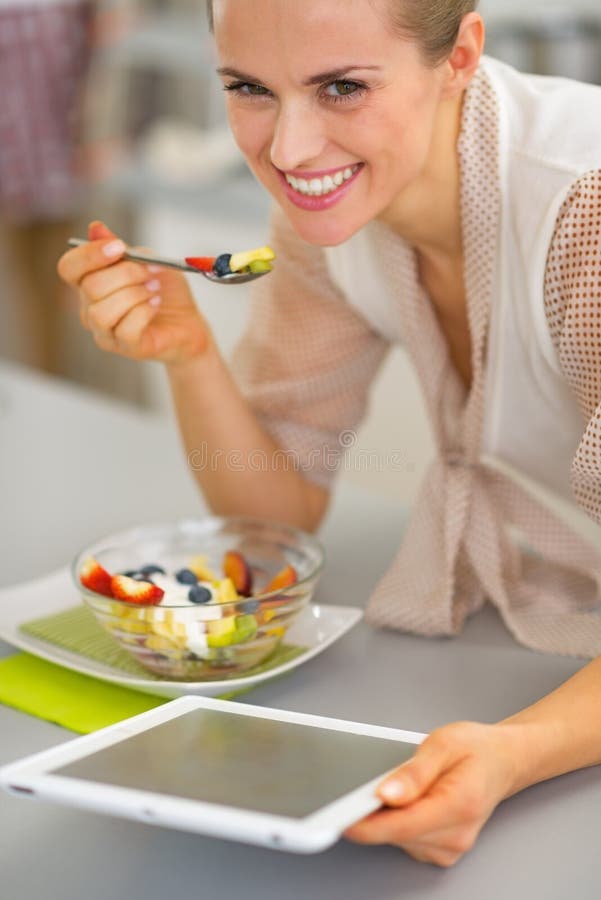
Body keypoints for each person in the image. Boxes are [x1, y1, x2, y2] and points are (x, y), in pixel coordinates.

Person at [57, 0, 601, 868]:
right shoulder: (329, 209)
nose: (287, 150)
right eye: (248, 88)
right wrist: (190, 356)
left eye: (341, 87)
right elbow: (280, 505)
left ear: (459, 54)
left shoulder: (588, 210)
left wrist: (510, 755)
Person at [0, 0, 94, 373]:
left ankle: (50, 375)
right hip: (29, 158)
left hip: (59, 159)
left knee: (56, 280)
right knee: (29, 275)